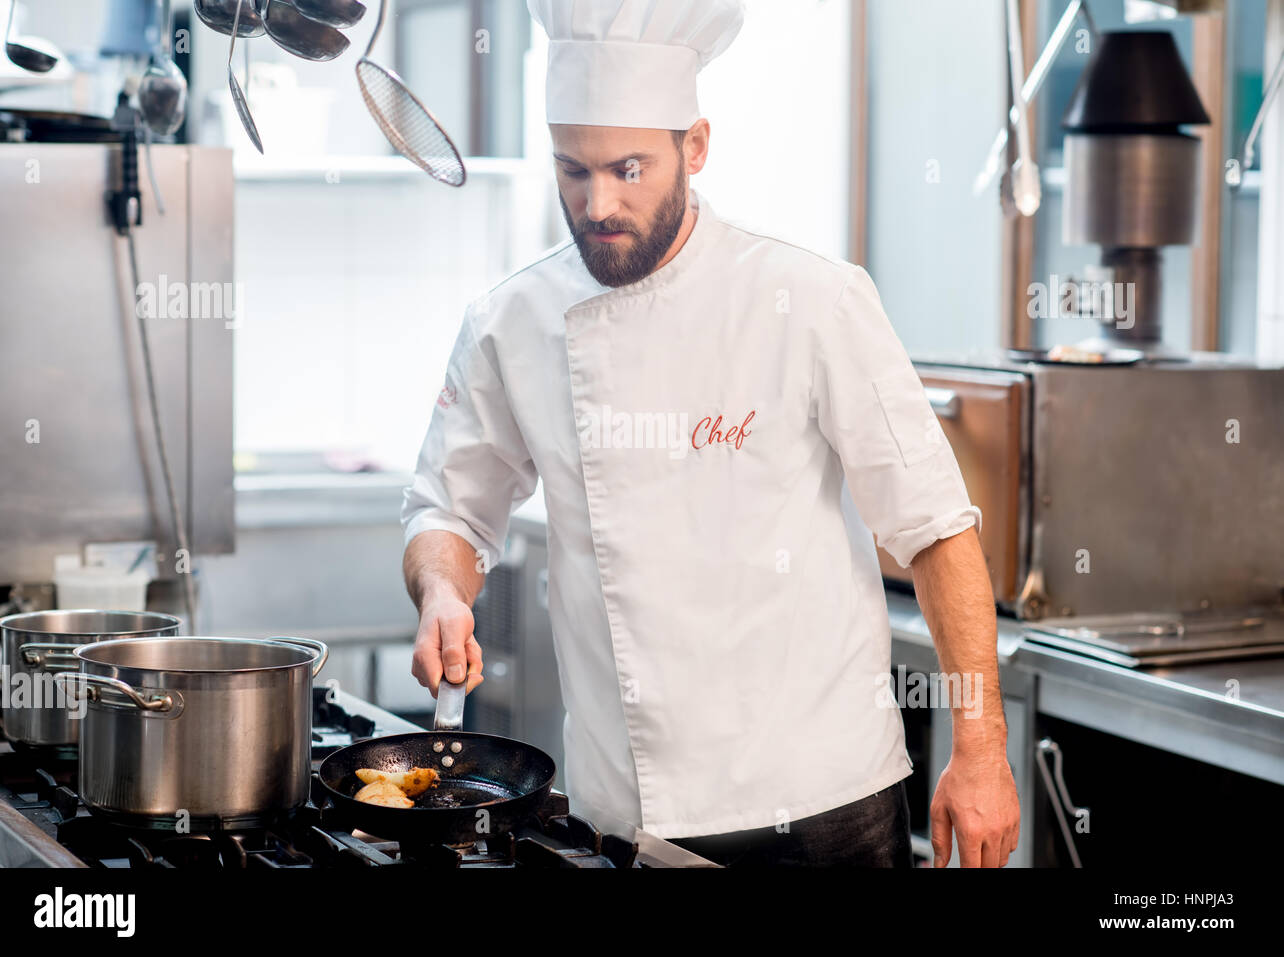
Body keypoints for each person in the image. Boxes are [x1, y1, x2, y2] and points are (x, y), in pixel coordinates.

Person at [400, 0, 1019, 867]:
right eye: (572, 171)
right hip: (624, 813)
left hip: (824, 803)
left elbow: (936, 530)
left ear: (695, 147)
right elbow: (447, 511)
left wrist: (983, 749)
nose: (599, 203)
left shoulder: (811, 299)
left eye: (628, 168)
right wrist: (443, 591)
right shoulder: (511, 321)